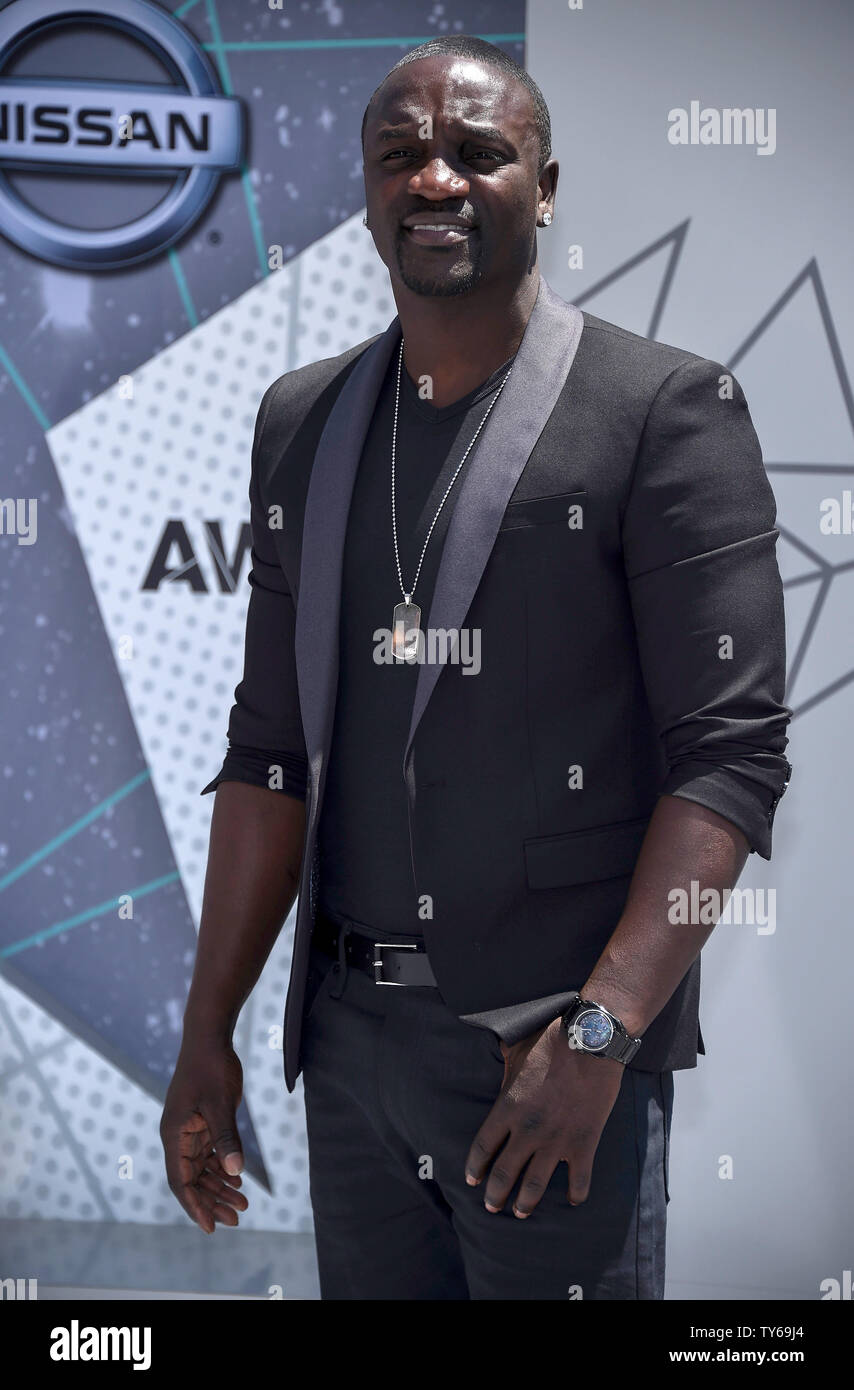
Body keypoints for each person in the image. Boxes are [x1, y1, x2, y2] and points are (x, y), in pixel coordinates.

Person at [161, 36, 792, 1300]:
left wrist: (601, 1036)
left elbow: (725, 762)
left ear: (543, 187)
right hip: (346, 1052)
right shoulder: (302, 420)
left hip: (544, 1059)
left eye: (474, 153)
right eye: (399, 156)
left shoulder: (664, 410)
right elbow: (269, 745)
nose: (433, 179)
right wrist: (204, 1034)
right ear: (365, 189)